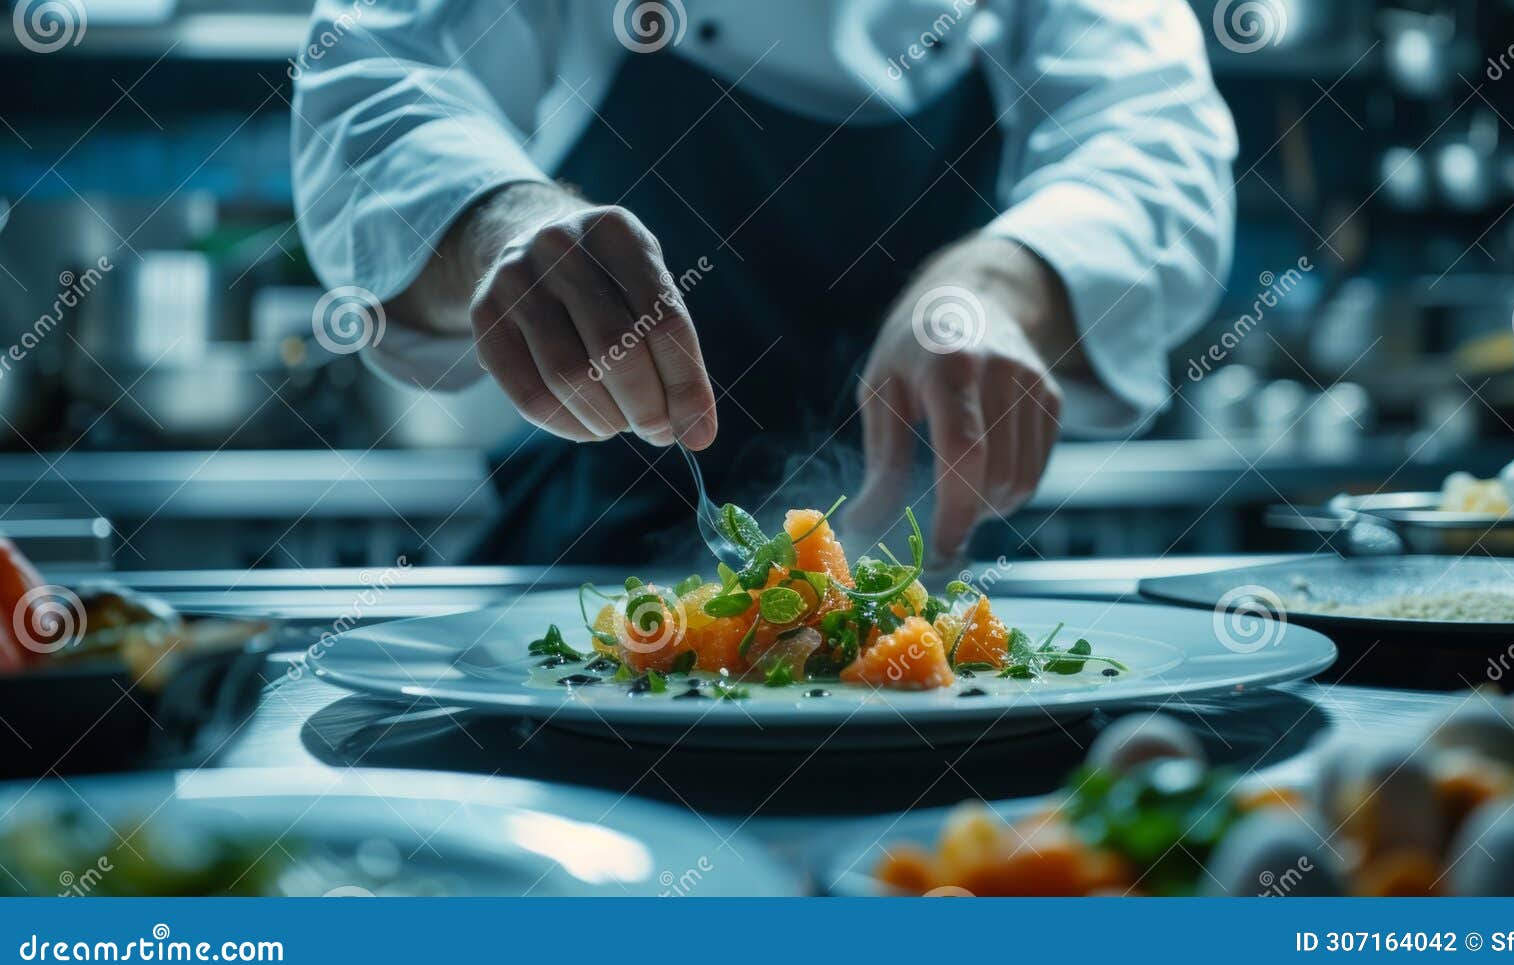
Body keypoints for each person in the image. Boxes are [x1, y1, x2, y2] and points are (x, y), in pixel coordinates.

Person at [292, 0, 1236, 567]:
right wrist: (500, 223)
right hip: (589, 558)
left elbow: (1157, 134)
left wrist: (1003, 278)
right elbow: (375, 76)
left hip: (933, 584)